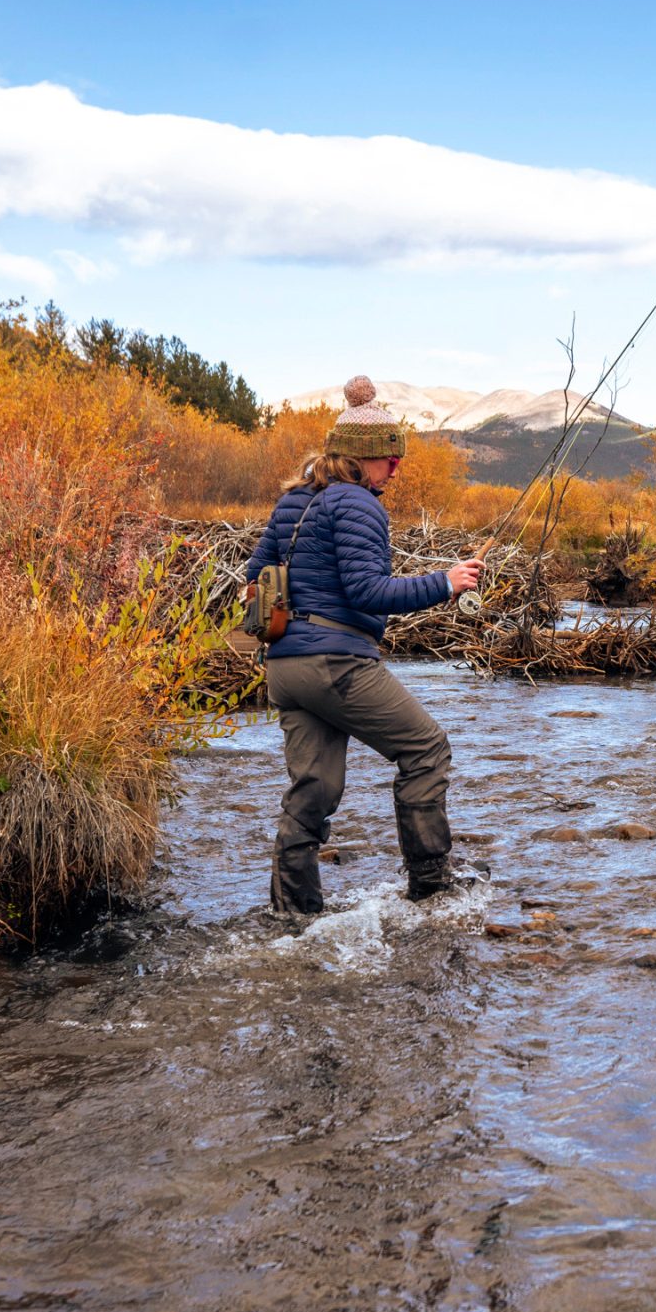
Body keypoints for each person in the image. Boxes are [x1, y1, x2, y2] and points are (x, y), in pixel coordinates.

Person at [246, 377, 486, 917]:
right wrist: (445, 582)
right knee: (426, 750)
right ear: (360, 457)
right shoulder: (358, 503)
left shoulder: (293, 501)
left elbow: (254, 577)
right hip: (337, 664)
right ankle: (430, 891)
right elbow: (368, 593)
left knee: (314, 790)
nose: (395, 470)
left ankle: (292, 915)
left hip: (285, 669)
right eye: (389, 459)